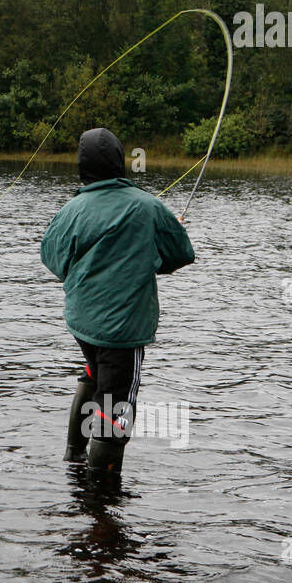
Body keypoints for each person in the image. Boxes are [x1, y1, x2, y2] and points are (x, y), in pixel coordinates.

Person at [40, 128, 194, 474]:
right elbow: (178, 256)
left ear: (83, 166)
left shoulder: (72, 208)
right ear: (120, 162)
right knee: (117, 406)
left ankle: (74, 455)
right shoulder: (149, 206)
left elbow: (52, 259)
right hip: (121, 329)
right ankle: (100, 495)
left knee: (96, 375)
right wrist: (168, 233)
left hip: (82, 323)